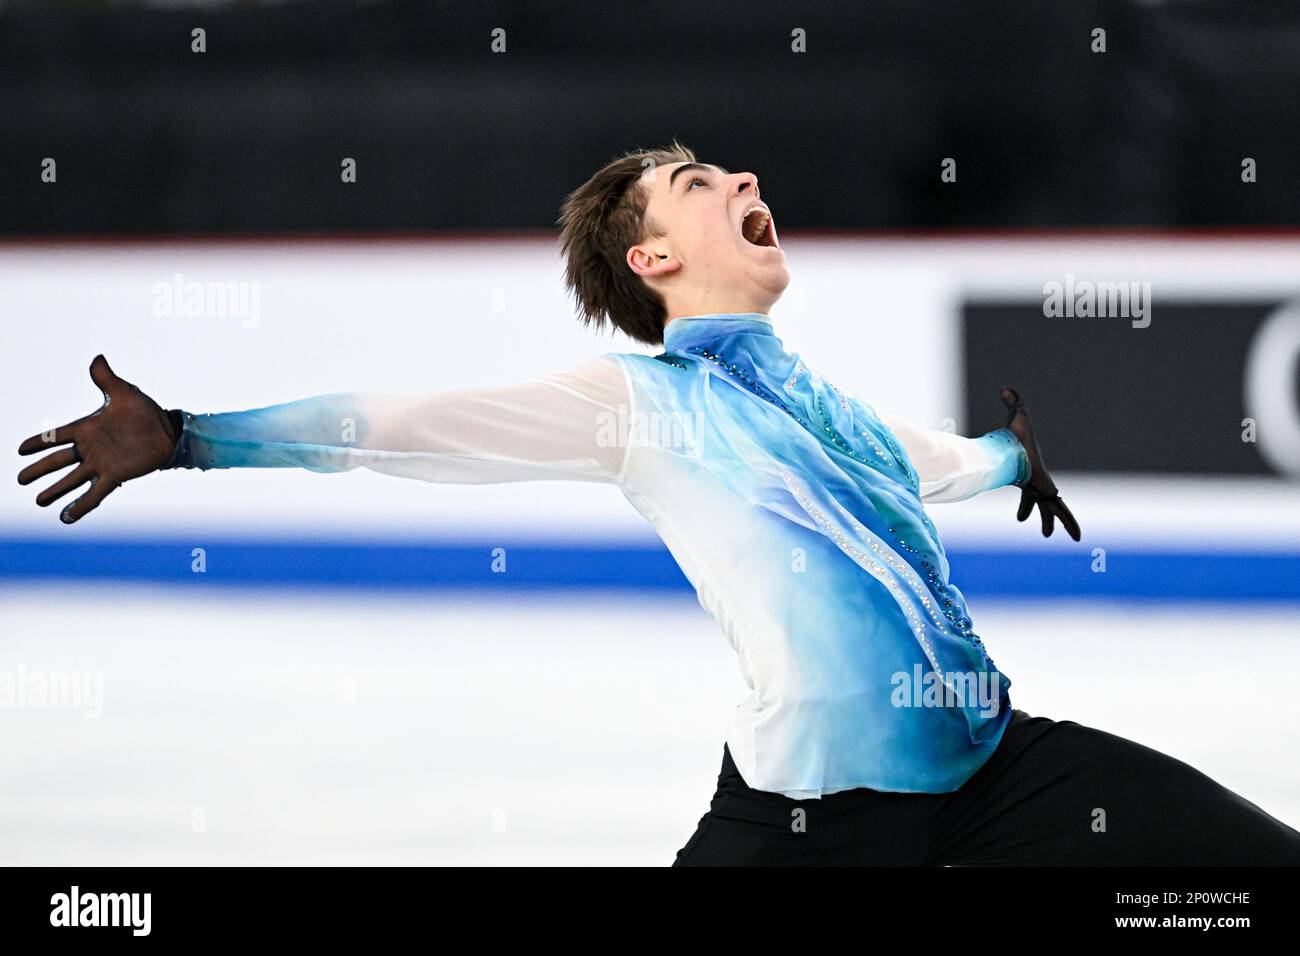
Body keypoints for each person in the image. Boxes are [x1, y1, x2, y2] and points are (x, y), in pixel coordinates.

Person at [17, 142, 1300, 865]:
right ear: (654, 259)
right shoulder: (635, 403)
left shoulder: (835, 414)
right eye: (693, 180)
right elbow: (397, 432)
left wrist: (1011, 460)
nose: (734, 173)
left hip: (1006, 777)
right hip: (805, 837)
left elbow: (939, 461)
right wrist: (192, 436)